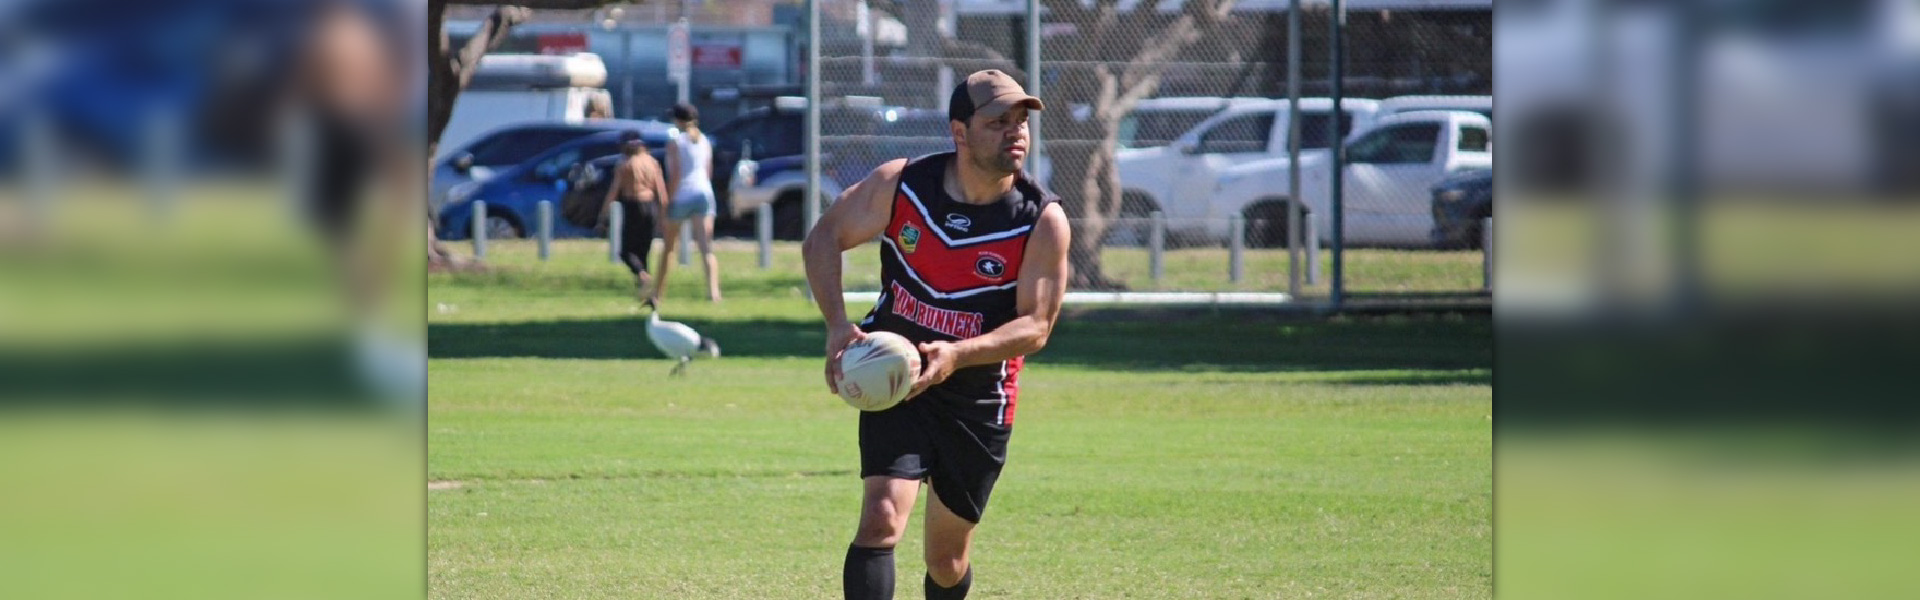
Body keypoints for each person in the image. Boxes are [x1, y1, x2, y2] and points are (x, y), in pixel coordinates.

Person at [801, 70, 1071, 600]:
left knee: (946, 561)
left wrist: (957, 355)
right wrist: (837, 325)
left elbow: (1036, 327)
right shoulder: (903, 186)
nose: (1015, 132)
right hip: (893, 375)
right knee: (881, 518)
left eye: (1021, 121)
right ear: (960, 132)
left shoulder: (1041, 220)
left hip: (977, 394)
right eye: (997, 122)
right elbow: (823, 239)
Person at [654, 103, 722, 303]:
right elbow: (708, 172)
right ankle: (713, 292)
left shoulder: (675, 142)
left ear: (679, 121)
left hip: (682, 195)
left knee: (668, 248)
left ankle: (658, 292)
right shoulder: (705, 141)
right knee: (706, 248)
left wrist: (666, 202)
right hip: (704, 194)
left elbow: (675, 175)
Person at [601, 136, 670, 300]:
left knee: (626, 251)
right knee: (644, 250)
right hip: (650, 207)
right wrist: (663, 216)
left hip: (633, 206)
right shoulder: (652, 163)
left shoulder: (626, 164)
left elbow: (614, 190)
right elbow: (661, 193)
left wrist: (603, 214)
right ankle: (645, 290)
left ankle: (642, 276)